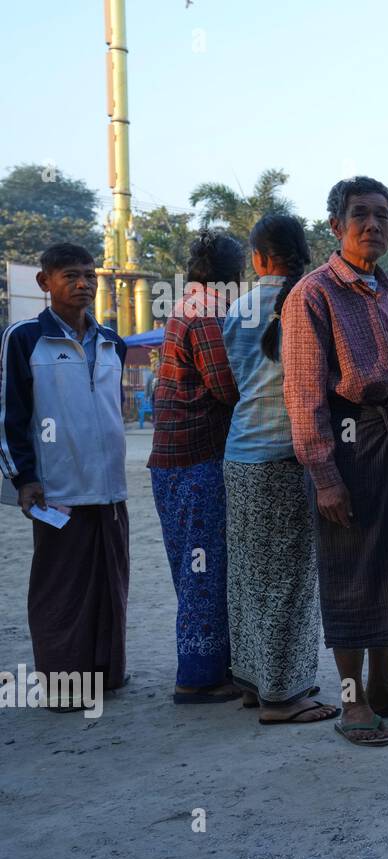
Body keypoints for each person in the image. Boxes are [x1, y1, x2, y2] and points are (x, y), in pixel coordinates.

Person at [282, 176, 388, 748]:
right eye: (359, 216)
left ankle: (385, 685)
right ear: (335, 226)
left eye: (382, 215)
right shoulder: (313, 294)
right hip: (347, 450)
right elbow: (304, 395)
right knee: (351, 571)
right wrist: (324, 476)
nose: (372, 225)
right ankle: (352, 699)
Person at [1, 243, 129, 709]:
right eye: (70, 275)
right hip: (58, 491)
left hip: (111, 488)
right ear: (44, 283)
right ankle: (63, 687)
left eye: (89, 275)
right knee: (61, 591)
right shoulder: (24, 339)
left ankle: (106, 676)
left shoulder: (113, 341)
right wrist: (24, 479)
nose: (83, 284)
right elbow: (8, 416)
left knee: (110, 586)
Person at [222, 214, 337, 726]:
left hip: (240, 454)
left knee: (247, 576)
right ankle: (281, 696)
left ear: (258, 258)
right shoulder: (310, 300)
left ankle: (254, 682)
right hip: (288, 455)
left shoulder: (238, 308)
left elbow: (234, 380)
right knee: (288, 578)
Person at [149, 230, 242, 705]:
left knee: (193, 567)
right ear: (235, 275)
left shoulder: (185, 305)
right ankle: (200, 678)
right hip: (197, 459)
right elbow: (224, 386)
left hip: (174, 461)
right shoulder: (208, 310)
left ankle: (207, 666)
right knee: (203, 569)